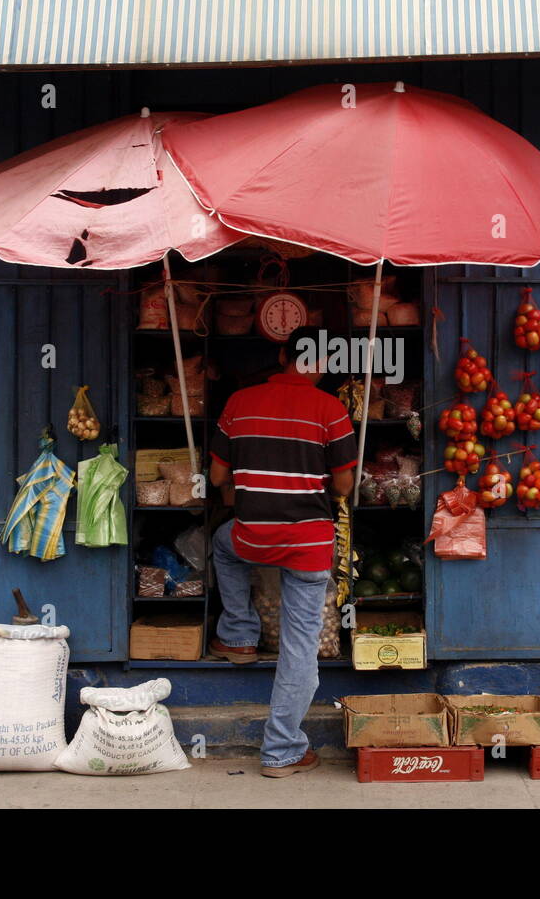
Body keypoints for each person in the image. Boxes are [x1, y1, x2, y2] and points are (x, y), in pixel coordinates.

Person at [207, 326, 358, 777]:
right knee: (299, 646)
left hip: (253, 536)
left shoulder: (239, 402)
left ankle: (237, 635)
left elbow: (216, 478)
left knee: (222, 543)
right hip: (310, 547)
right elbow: (344, 486)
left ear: (281, 354)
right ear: (326, 363)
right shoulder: (331, 410)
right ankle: (281, 750)